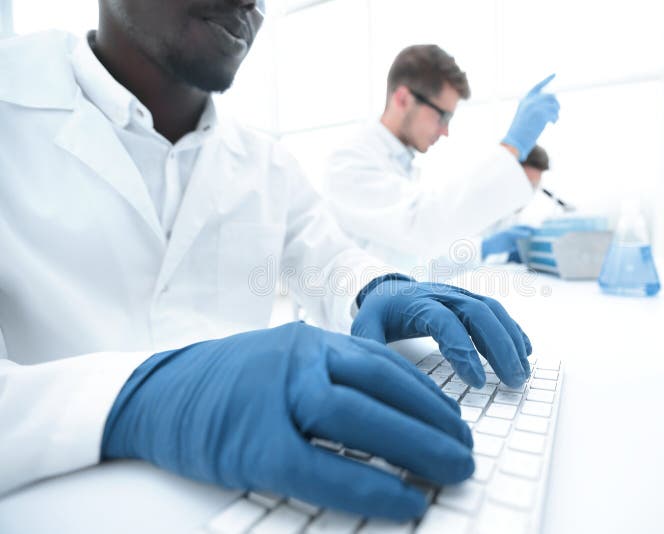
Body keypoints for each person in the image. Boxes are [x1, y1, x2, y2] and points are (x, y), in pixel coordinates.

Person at [0, 0, 535, 521]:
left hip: (256, 494)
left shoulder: (265, 162)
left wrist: (378, 288)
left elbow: (327, 259)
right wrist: (134, 398)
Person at [324, 44, 560, 276]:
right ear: (403, 99)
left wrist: (482, 250)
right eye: (443, 116)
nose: (445, 131)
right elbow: (421, 226)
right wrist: (511, 148)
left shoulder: (399, 163)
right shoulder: (350, 161)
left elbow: (419, 257)